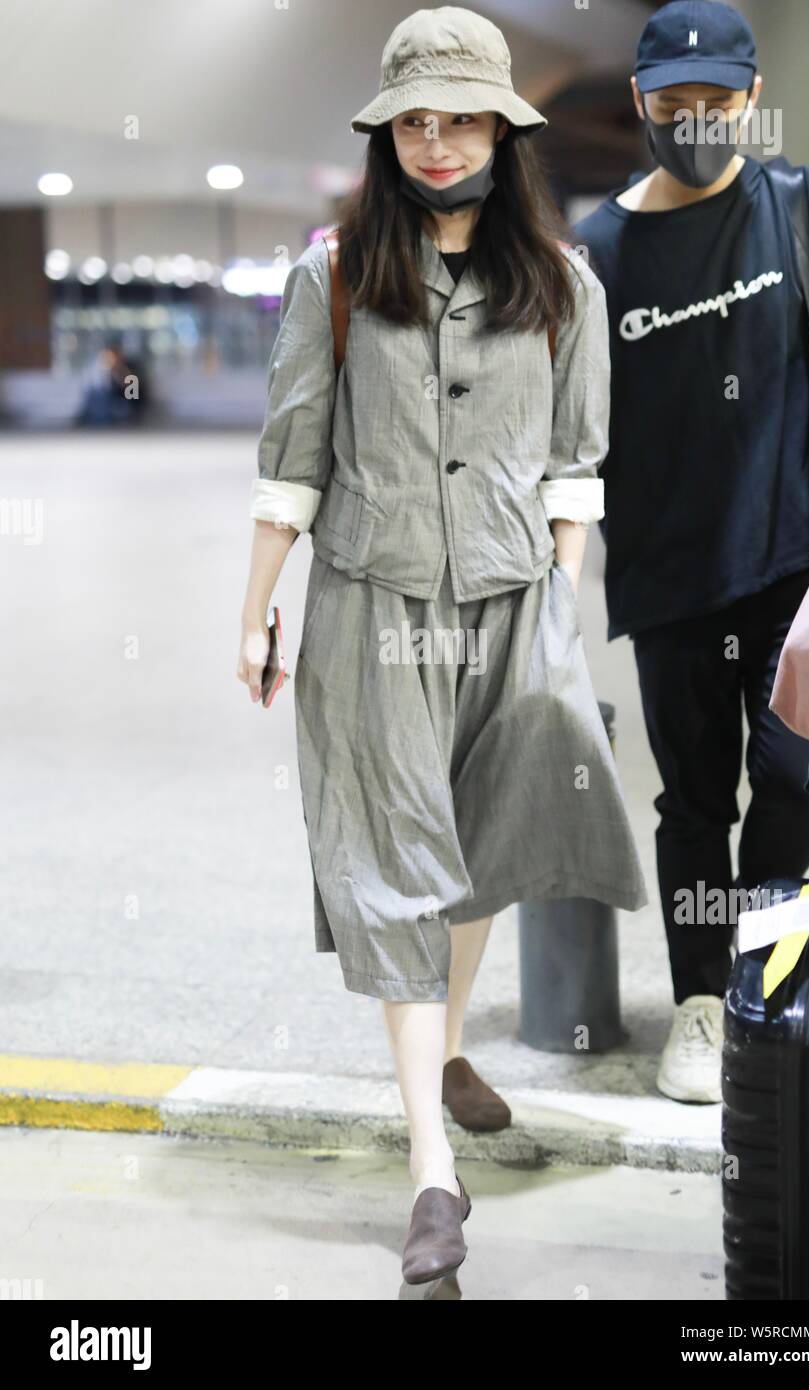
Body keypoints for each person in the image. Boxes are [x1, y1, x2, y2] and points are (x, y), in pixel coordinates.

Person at [237, 5, 648, 1284]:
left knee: (486, 838)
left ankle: (450, 1040)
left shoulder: (562, 281)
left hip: (513, 606)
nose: (432, 141)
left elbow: (575, 463)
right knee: (397, 860)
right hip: (370, 604)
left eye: (456, 116)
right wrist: (252, 605)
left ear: (500, 128)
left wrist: (559, 604)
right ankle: (430, 1164)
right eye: (411, 119)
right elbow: (293, 456)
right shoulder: (337, 274)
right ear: (385, 133)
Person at [572, 0, 809, 1103]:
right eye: (671, 103)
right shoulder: (597, 252)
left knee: (791, 783)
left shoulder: (804, 205)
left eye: (715, 102)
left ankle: (763, 977)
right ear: (641, 103)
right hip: (668, 578)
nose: (694, 121)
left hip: (796, 572)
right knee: (693, 802)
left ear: (749, 98)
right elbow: (568, 426)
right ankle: (699, 1006)